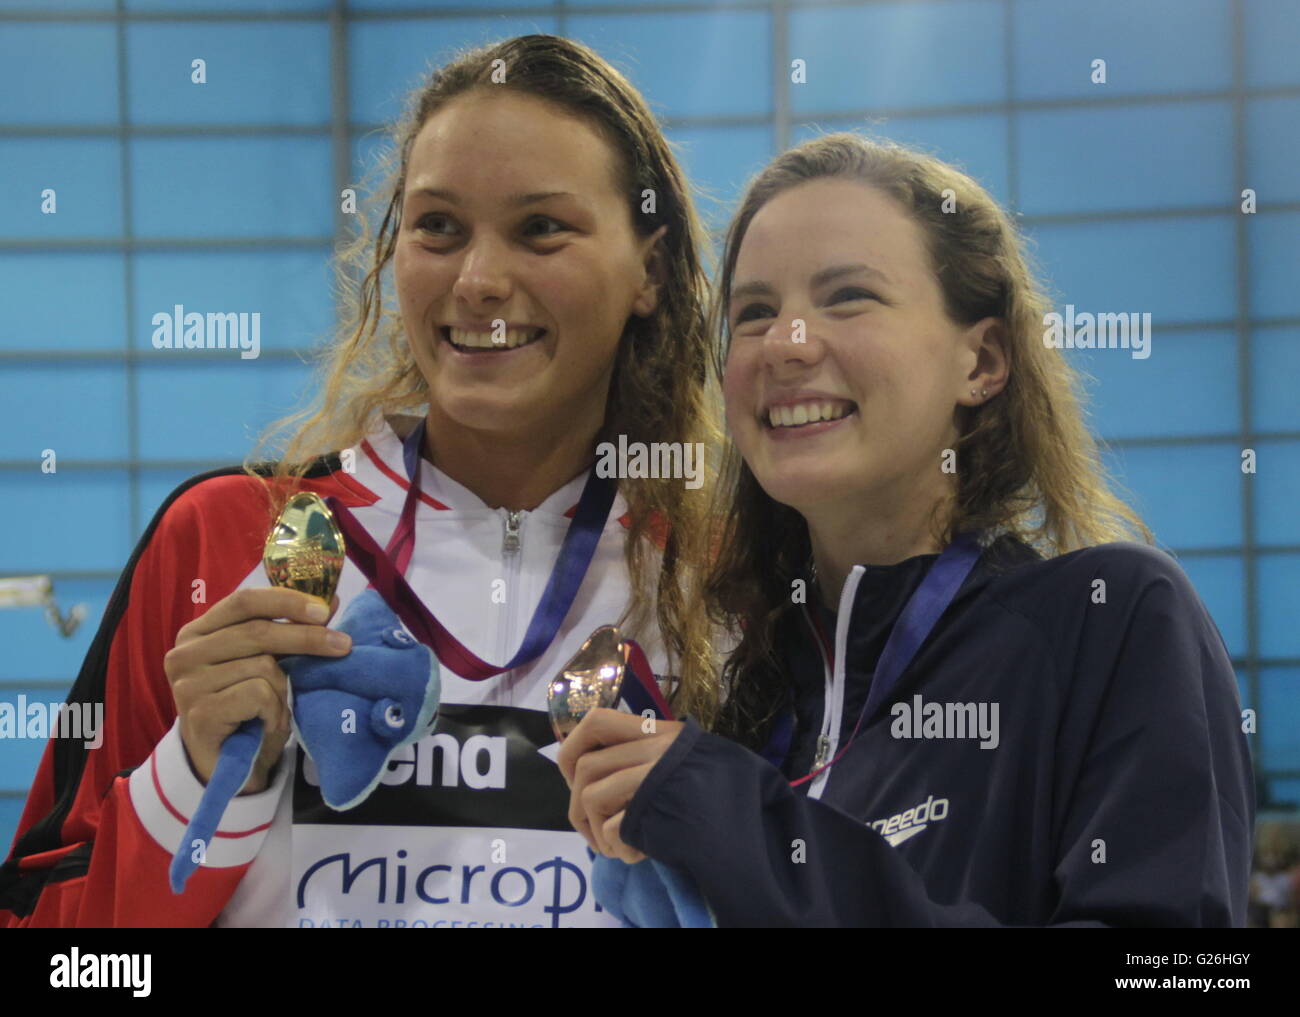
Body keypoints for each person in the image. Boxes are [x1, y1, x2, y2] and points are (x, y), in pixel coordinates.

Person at [0, 34, 722, 928]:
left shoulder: (721, 575)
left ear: (647, 271)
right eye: (438, 227)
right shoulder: (225, 536)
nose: (479, 279)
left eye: (541, 229)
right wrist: (191, 774)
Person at [559, 132, 1255, 927]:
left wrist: (742, 825)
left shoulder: (1112, 621)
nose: (787, 344)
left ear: (983, 360)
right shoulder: (747, 698)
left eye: (847, 296)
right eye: (754, 312)